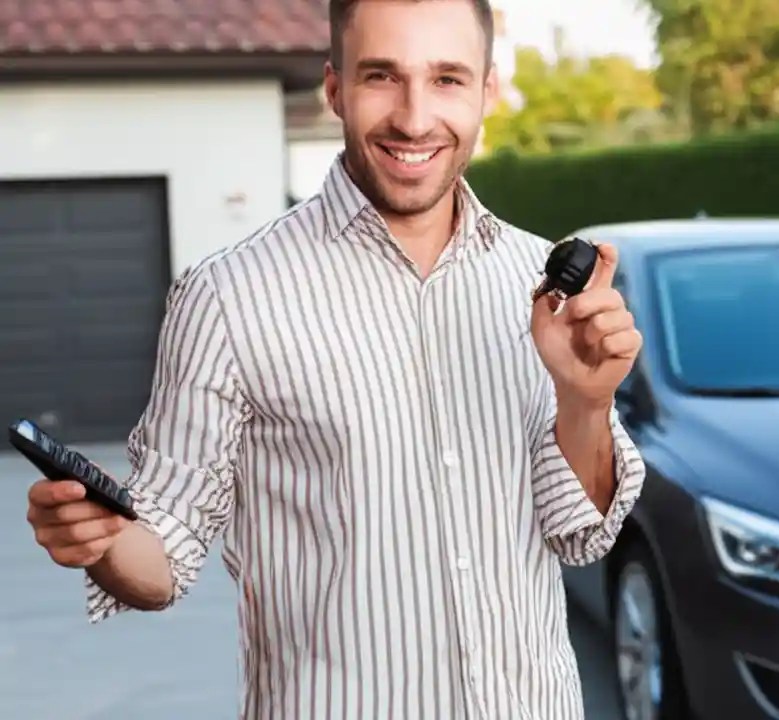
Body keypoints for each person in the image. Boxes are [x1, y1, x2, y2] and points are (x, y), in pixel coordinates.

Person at [22, 1, 646, 718]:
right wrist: (101, 539)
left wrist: (586, 400)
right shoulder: (228, 295)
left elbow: (579, 535)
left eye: (447, 79)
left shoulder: (537, 281)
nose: (414, 118)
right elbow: (162, 557)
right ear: (335, 90)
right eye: (382, 76)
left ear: (487, 92)